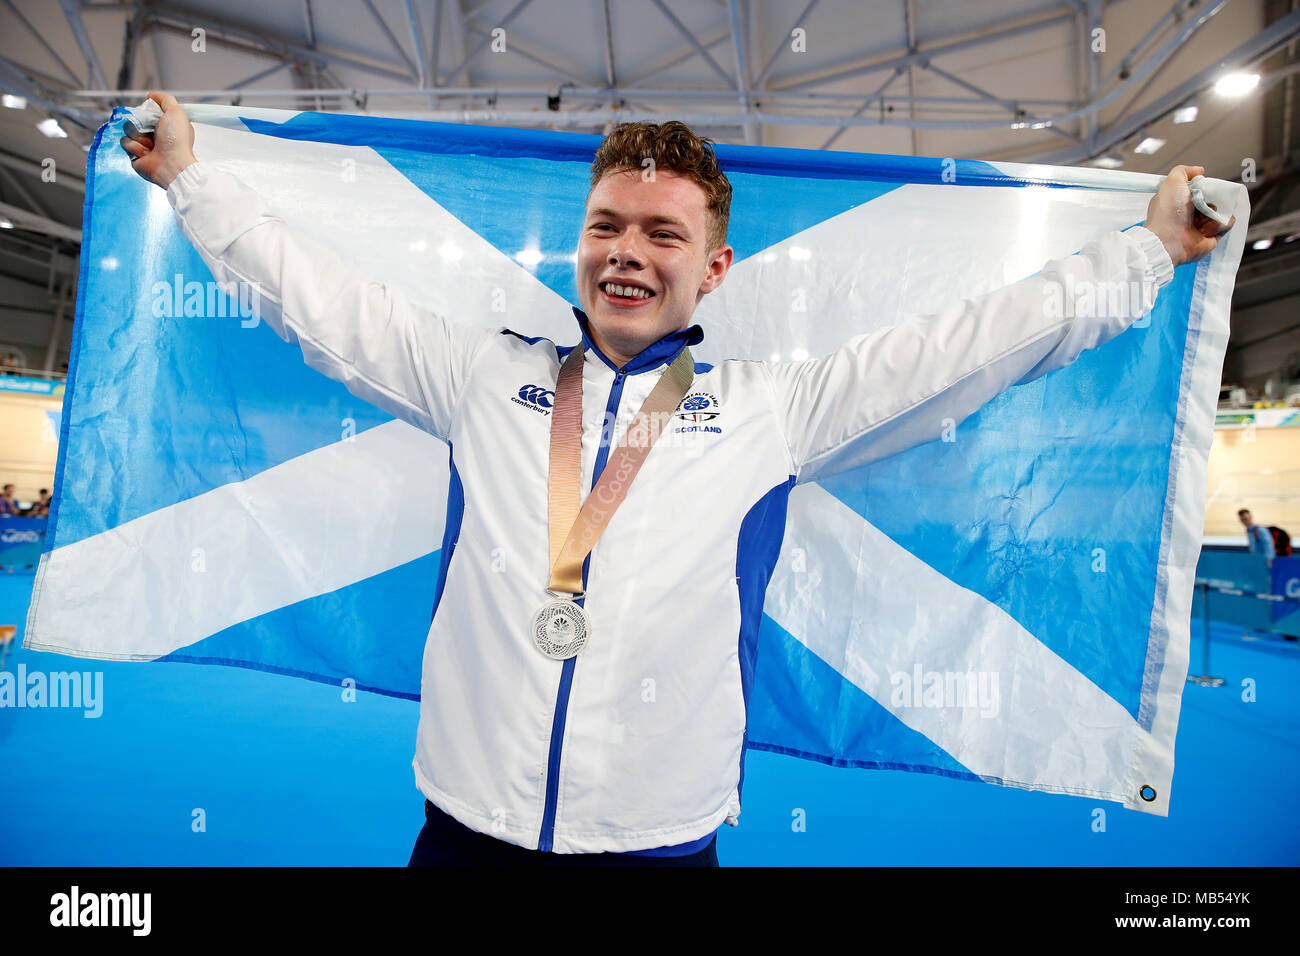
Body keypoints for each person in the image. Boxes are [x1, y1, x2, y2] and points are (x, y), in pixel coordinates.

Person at [122, 91, 1232, 867]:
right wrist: (190, 178)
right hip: (462, 829)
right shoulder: (475, 375)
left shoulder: (775, 409)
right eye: (605, 224)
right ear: (576, 245)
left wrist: (1141, 254)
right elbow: (312, 293)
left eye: (662, 232)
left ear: (712, 269)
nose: (625, 250)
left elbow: (970, 344)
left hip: (657, 845)